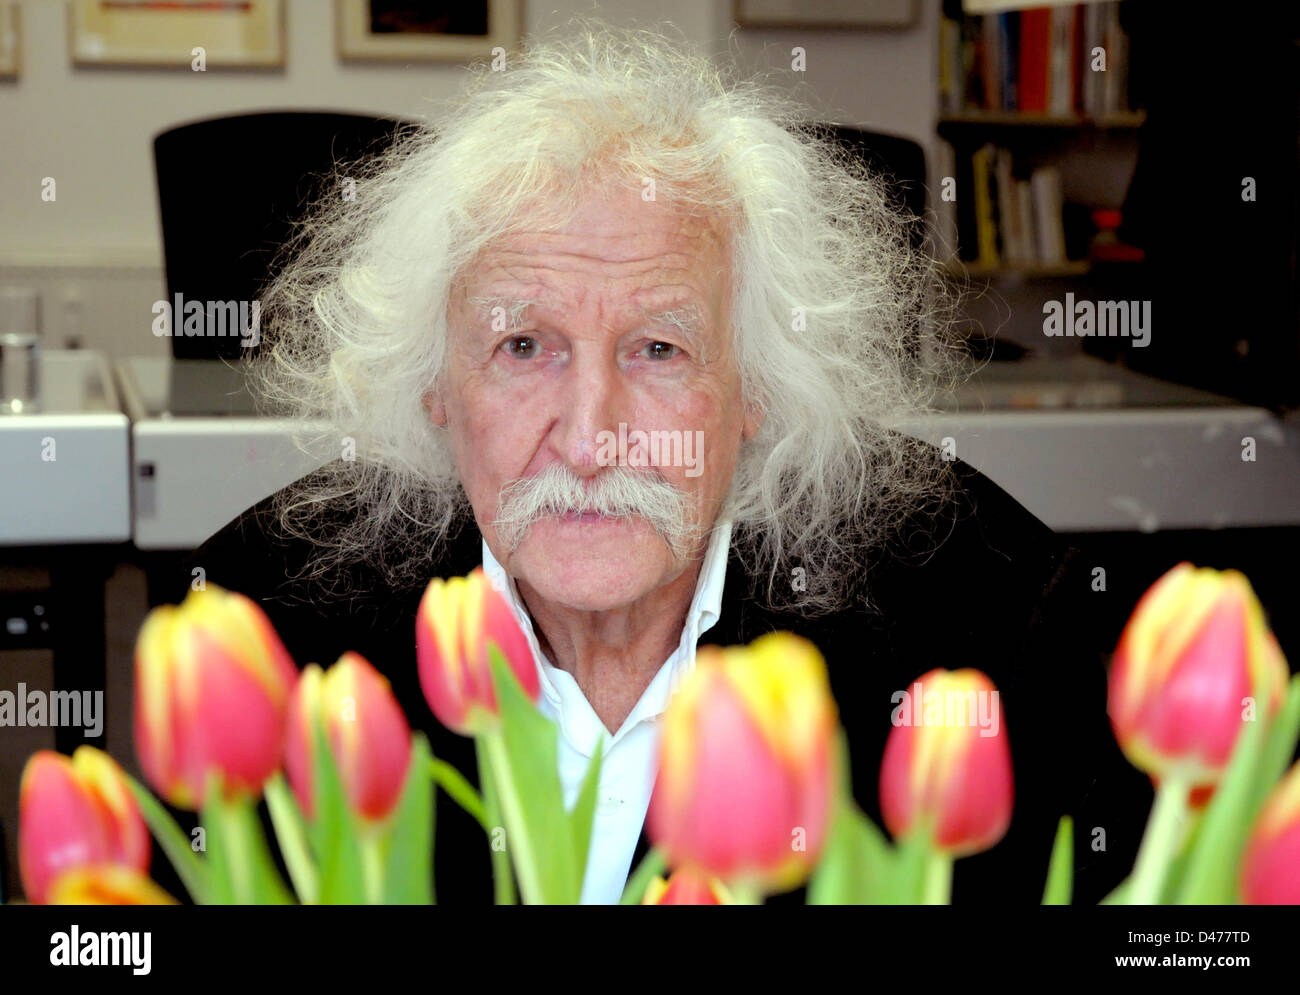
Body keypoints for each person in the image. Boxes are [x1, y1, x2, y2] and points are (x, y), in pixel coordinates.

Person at [178, 23, 1141, 905]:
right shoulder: (264, 620)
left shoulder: (988, 620)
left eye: (659, 350)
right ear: (436, 387)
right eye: (523, 347)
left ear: (756, 385)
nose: (592, 439)